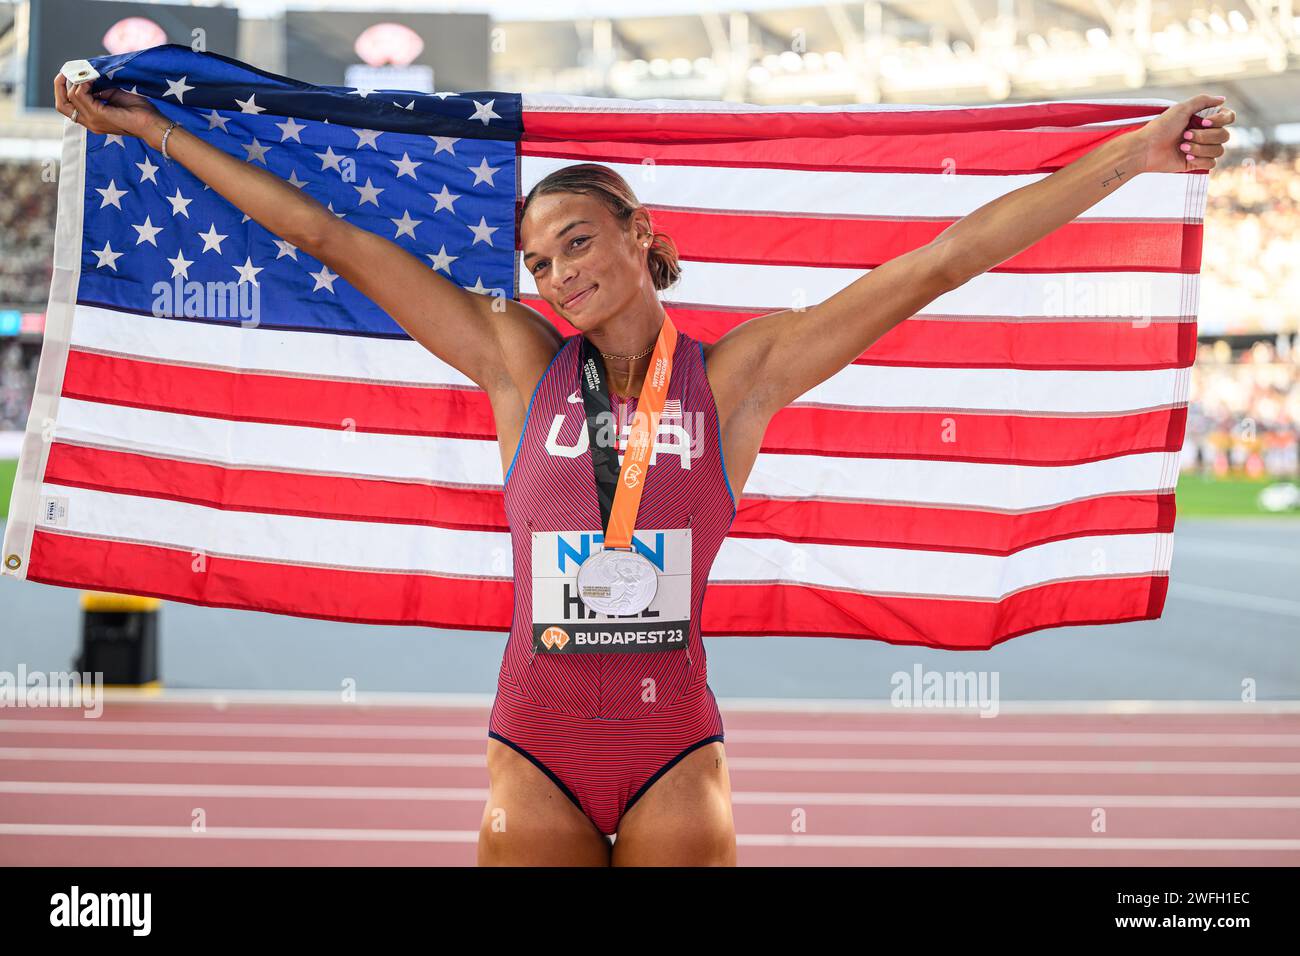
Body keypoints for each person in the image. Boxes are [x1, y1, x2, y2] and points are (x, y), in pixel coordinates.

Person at [55, 73, 1234, 866]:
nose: (559, 273)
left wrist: (1135, 153)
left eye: (579, 243)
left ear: (638, 239)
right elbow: (331, 237)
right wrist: (152, 131)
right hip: (534, 740)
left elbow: (937, 264)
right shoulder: (515, 362)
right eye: (538, 259)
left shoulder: (742, 376)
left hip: (677, 747)